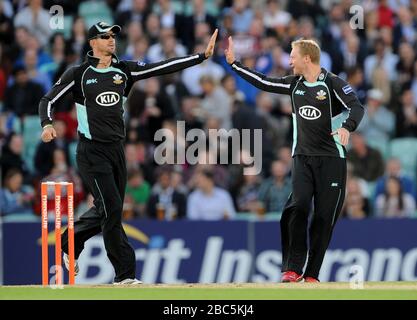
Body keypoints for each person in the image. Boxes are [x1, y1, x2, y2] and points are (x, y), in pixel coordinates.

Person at [38, 21, 218, 285]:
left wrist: (200, 57)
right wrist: (46, 124)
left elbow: (162, 67)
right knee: (110, 209)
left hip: (117, 151)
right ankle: (125, 275)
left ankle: (69, 242)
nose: (111, 40)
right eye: (104, 36)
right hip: (91, 151)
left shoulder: (124, 70)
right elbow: (48, 100)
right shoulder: (78, 74)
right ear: (92, 42)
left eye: (113, 36)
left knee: (110, 210)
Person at [225, 37, 364, 282]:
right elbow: (263, 82)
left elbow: (356, 107)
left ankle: (312, 274)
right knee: (298, 206)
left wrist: (347, 127)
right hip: (302, 158)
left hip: (332, 159)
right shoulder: (293, 85)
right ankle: (293, 267)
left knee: (323, 217)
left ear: (306, 58)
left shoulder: (332, 84)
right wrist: (234, 64)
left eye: (292, 55)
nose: (289, 60)